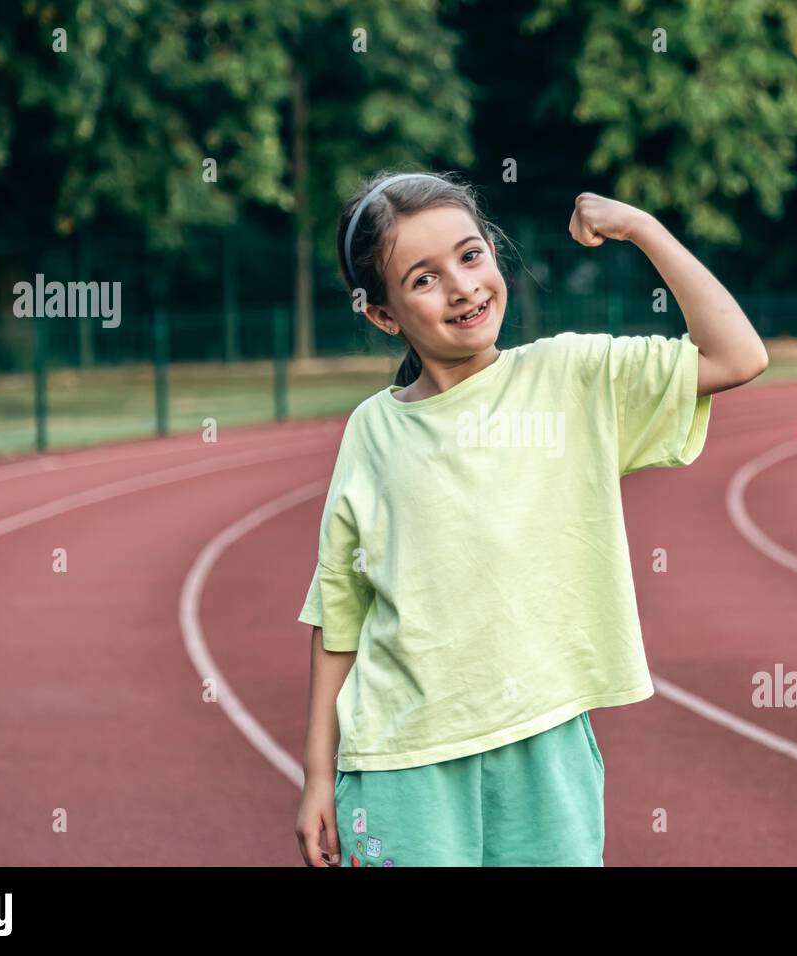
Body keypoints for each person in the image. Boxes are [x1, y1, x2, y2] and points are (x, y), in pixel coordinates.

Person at [294, 169, 768, 867]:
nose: (461, 287)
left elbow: (738, 355)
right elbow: (341, 611)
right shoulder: (372, 433)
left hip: (545, 742)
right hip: (403, 756)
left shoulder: (571, 377)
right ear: (383, 314)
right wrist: (315, 776)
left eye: (470, 254)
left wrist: (640, 227)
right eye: (422, 279)